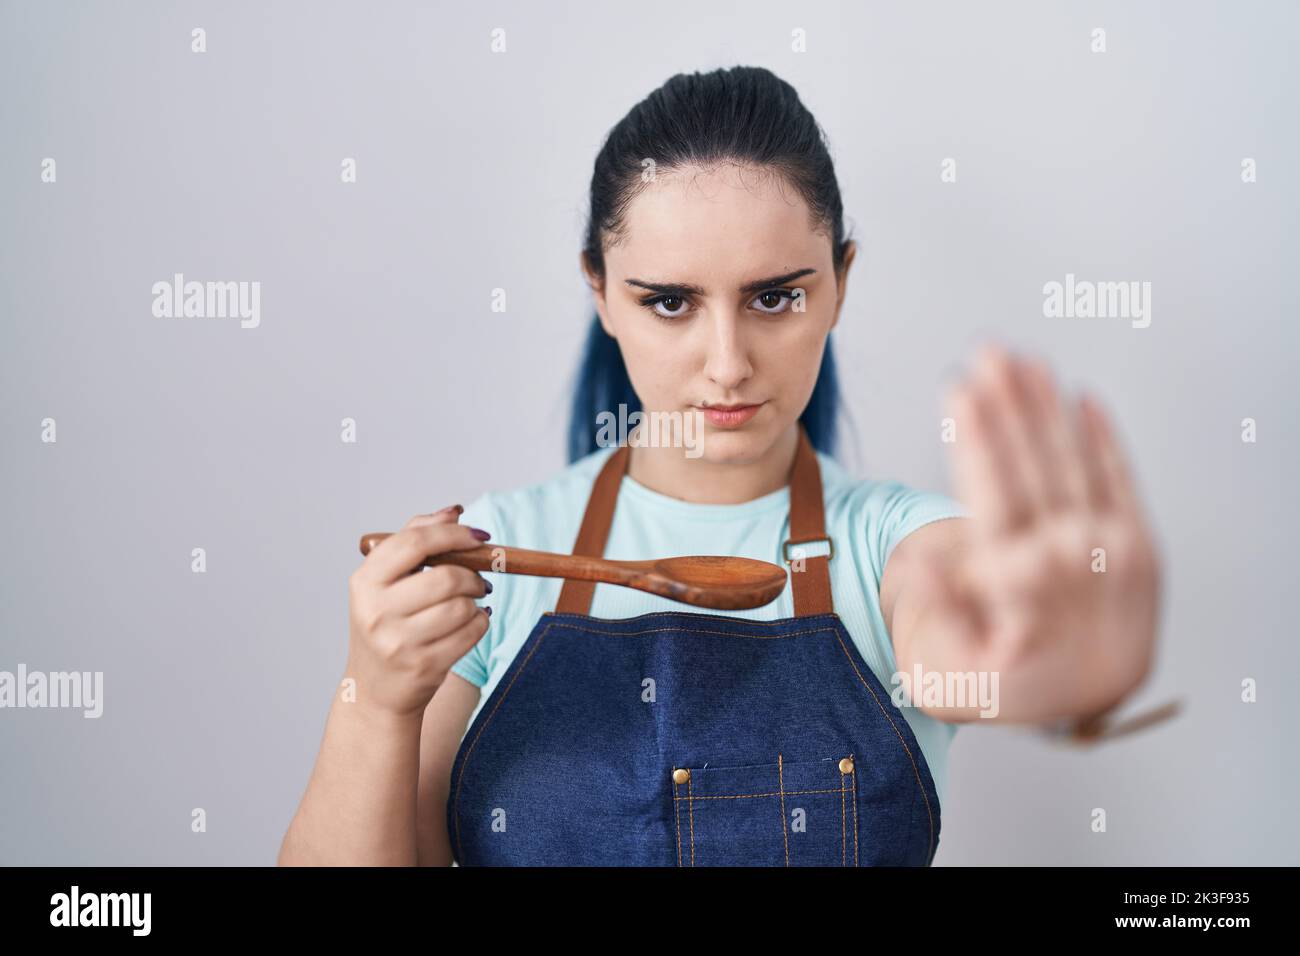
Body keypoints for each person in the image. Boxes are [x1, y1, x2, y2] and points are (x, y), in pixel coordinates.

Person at [278, 66, 1165, 867]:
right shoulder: (495, 555)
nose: (729, 361)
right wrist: (375, 700)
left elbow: (968, 640)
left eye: (775, 297)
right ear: (599, 291)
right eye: (670, 302)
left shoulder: (898, 545)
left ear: (840, 283)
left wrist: (1062, 669)